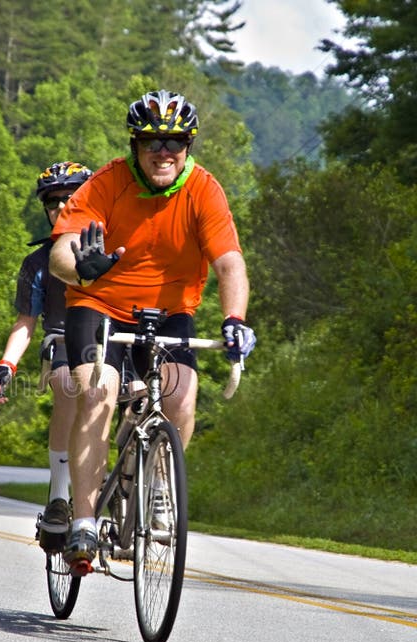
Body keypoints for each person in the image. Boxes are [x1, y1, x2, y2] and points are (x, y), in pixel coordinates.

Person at [49, 90, 256, 569]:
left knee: (182, 393)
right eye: (151, 141)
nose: (164, 151)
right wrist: (85, 268)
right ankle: (83, 524)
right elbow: (61, 252)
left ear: (188, 145)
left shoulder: (204, 189)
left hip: (167, 313)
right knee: (99, 389)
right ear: (135, 146)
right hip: (98, 304)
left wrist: (235, 320)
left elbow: (229, 264)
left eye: (175, 141)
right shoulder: (107, 183)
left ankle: (159, 486)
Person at [0, 161, 93, 551]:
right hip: (63, 342)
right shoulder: (37, 263)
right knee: (68, 387)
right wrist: (6, 365)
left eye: (72, 198)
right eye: (54, 202)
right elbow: (26, 322)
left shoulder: (113, 248)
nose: (63, 207)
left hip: (110, 340)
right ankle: (60, 498)